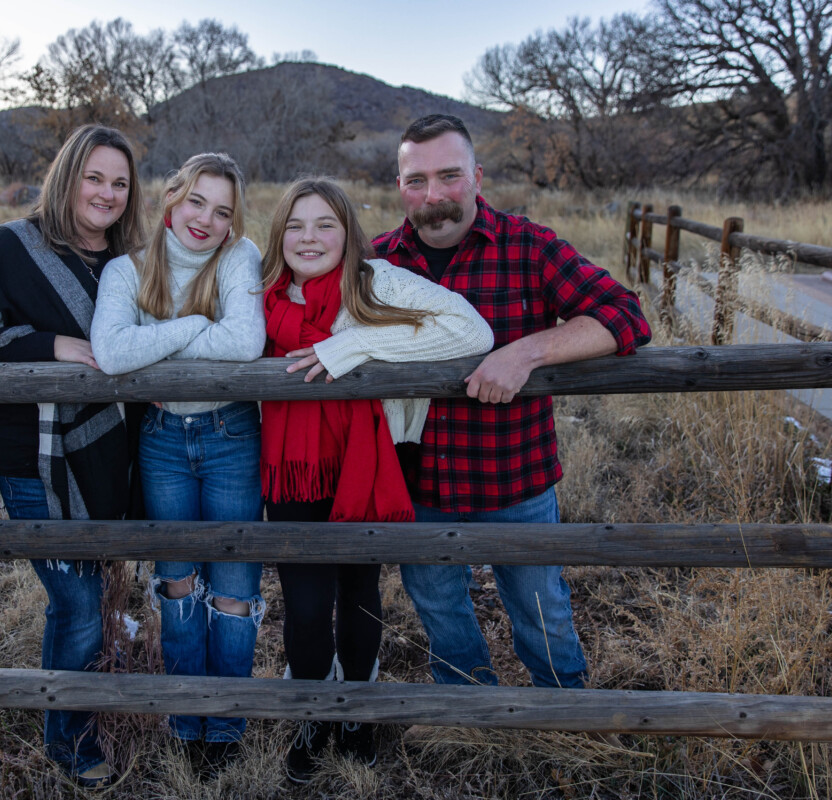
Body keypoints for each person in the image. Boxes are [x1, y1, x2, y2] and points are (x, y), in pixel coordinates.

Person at [371, 114, 652, 692]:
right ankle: (469, 711)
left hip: (515, 476)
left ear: (477, 177)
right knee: (438, 607)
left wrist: (526, 352)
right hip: (418, 482)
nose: (433, 194)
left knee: (541, 609)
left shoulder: (529, 247)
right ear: (400, 186)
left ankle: (563, 711)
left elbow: (624, 314)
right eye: (417, 180)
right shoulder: (376, 264)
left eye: (449, 176)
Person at [261, 178, 494, 782]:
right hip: (290, 470)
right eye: (295, 225)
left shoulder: (376, 281)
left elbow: (473, 331)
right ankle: (313, 714)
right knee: (305, 605)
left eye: (325, 225)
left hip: (364, 461)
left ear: (348, 233)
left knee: (359, 592)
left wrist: (352, 345)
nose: (309, 238)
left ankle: (357, 715)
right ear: (279, 234)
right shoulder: (263, 293)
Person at [0, 124, 146, 787]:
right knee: (77, 601)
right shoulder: (9, 248)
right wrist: (48, 346)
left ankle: (92, 705)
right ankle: (71, 742)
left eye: (120, 183)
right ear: (66, 178)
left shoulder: (129, 263)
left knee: (94, 594)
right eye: (94, 178)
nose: (107, 194)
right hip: (34, 462)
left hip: (111, 456)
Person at [90, 152, 265, 777]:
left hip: (231, 433)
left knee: (235, 589)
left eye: (221, 211)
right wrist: (195, 322)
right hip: (162, 439)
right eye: (196, 201)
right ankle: (186, 721)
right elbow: (113, 352)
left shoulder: (239, 257)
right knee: (178, 584)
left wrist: (159, 345)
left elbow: (246, 342)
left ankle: (227, 724)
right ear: (172, 197)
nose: (205, 220)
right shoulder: (128, 268)